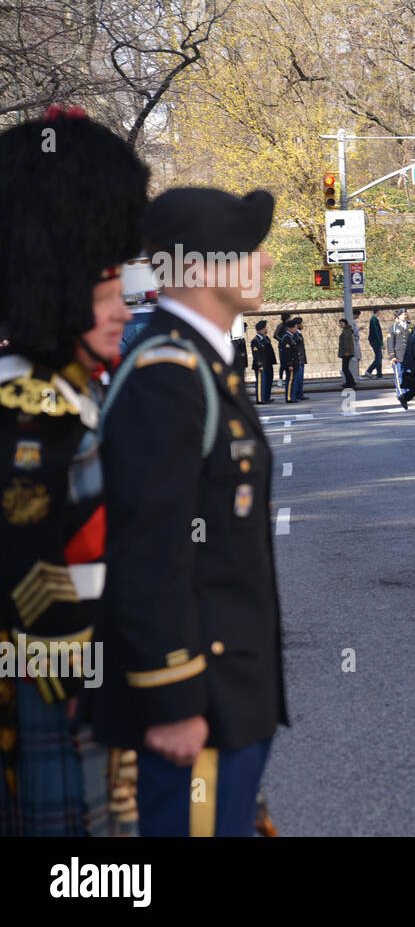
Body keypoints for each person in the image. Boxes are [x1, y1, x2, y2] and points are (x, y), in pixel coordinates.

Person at [92, 186, 288, 836]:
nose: (262, 262)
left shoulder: (204, 364)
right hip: (196, 703)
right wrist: (173, 699)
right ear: (199, 269)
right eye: (247, 250)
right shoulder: (167, 374)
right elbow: (149, 551)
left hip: (232, 696)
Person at [0, 106, 150, 837]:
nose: (126, 309)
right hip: (57, 690)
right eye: (109, 290)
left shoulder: (67, 389)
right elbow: (32, 571)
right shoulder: (32, 404)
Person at [250, 319, 276, 405]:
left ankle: (267, 397)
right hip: (261, 365)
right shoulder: (255, 341)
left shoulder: (266, 338)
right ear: (260, 329)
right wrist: (260, 365)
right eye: (265, 328)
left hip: (268, 364)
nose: (266, 329)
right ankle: (260, 399)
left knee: (268, 382)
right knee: (261, 383)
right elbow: (256, 354)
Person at [278, 317, 301, 403]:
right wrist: (289, 364)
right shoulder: (286, 338)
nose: (296, 329)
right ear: (289, 328)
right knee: (290, 381)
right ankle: (289, 397)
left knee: (293, 380)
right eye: (294, 327)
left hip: (294, 362)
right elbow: (287, 353)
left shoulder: (292, 336)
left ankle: (293, 396)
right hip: (290, 363)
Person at [388, 310, 410, 399]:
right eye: (402, 314)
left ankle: (408, 392)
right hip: (398, 355)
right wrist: (392, 356)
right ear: (398, 316)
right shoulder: (393, 327)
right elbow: (390, 343)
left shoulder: (410, 326)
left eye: (405, 314)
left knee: (408, 375)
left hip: (408, 356)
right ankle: (401, 393)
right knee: (399, 375)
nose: (405, 316)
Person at [337, 318, 357, 390]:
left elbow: (347, 342)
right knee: (345, 368)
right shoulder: (346, 330)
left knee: (345, 368)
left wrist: (347, 351)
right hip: (346, 352)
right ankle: (349, 382)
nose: (341, 325)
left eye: (342, 323)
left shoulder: (346, 331)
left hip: (346, 352)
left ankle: (351, 382)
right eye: (340, 323)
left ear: (345, 323)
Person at [365, 310, 384, 377]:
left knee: (378, 357)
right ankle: (371, 371)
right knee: (379, 357)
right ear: (378, 311)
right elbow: (377, 332)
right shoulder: (374, 320)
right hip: (375, 341)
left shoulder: (374, 320)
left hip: (374, 341)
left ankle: (378, 373)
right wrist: (381, 343)